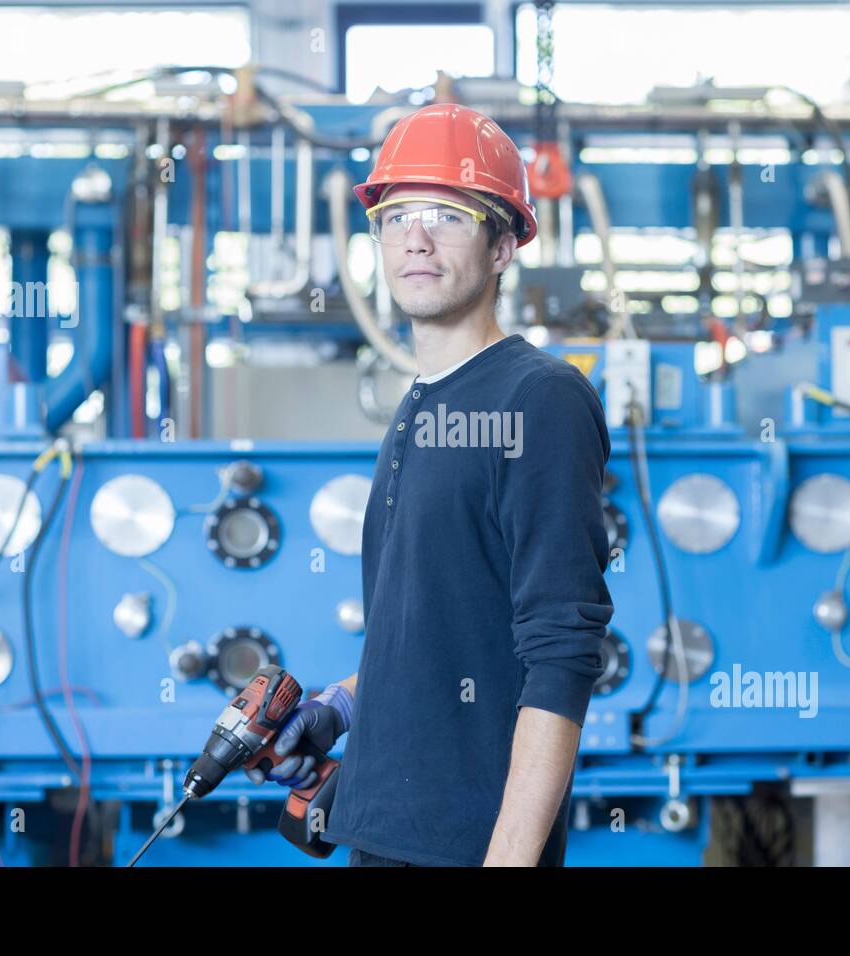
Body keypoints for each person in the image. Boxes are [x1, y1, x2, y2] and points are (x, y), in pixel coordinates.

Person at [248, 103, 613, 867]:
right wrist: (344, 704)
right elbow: (440, 632)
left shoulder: (538, 399)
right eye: (397, 214)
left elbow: (561, 654)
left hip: (467, 851)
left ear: (505, 242)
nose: (415, 237)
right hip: (379, 837)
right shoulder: (420, 405)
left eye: (447, 213)